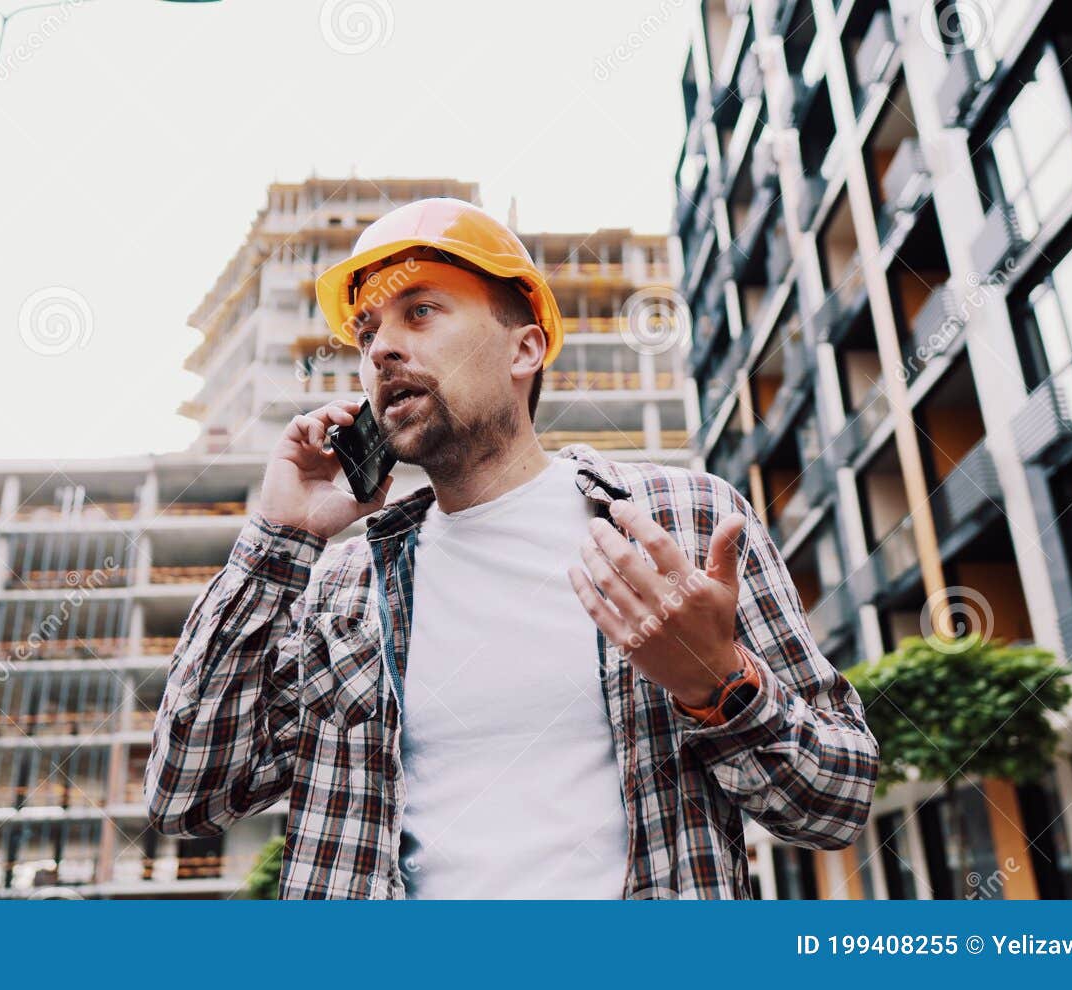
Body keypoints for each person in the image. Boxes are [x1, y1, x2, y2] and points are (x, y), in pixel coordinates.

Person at [146, 197, 877, 898]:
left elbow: (834, 804)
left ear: (525, 347)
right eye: (366, 334)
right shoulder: (341, 584)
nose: (382, 349)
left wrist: (718, 686)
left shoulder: (681, 523)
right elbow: (189, 795)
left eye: (421, 311)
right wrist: (280, 539)